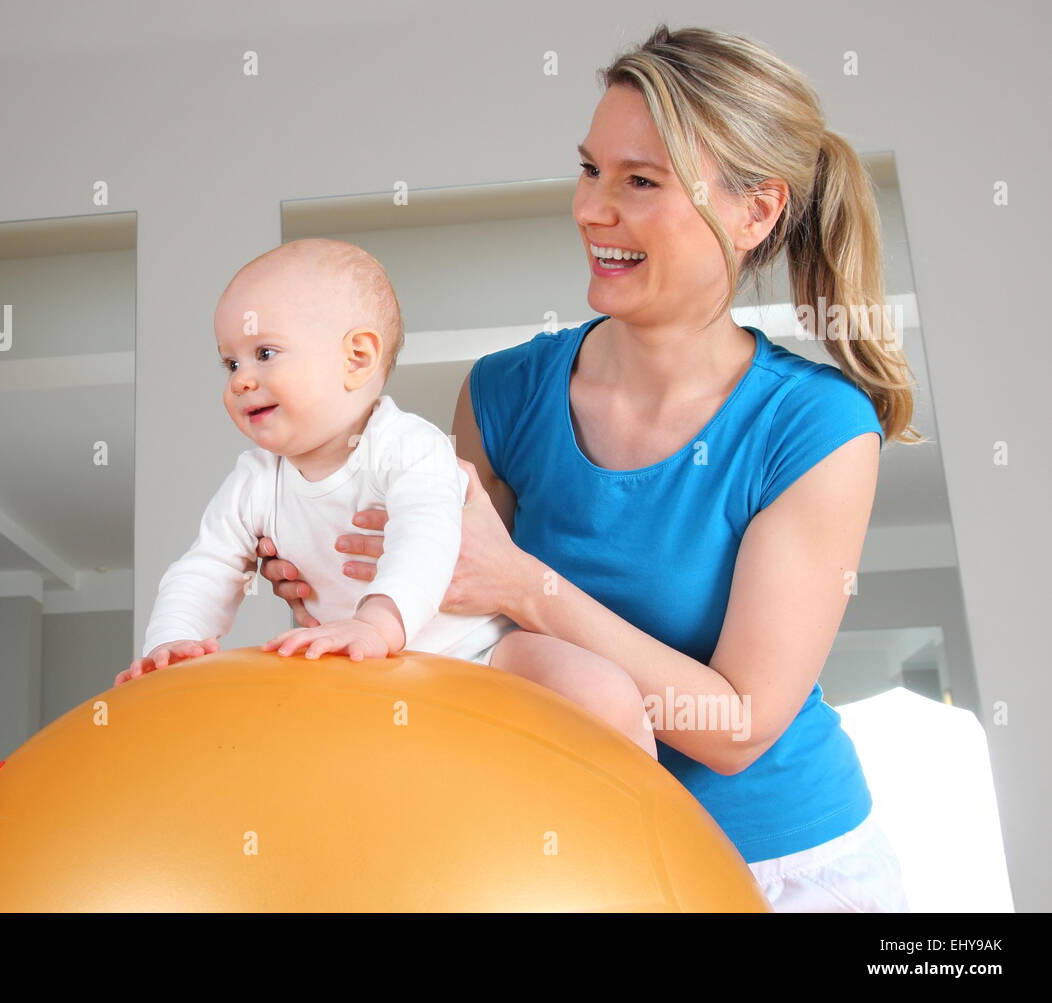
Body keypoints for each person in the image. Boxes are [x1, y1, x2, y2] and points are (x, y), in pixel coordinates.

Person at [256, 25, 920, 911]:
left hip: (784, 868)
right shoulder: (502, 396)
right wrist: (340, 593)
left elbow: (736, 727)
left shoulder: (813, 425)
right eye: (589, 170)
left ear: (755, 212)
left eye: (639, 181)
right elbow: (455, 643)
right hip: (579, 857)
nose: (591, 208)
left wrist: (526, 584)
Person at [117, 237, 657, 757]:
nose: (240, 380)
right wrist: (174, 642)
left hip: (481, 653)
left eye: (264, 353)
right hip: (364, 672)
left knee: (599, 689)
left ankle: (647, 822)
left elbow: (424, 536)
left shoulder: (407, 446)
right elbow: (206, 566)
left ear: (356, 358)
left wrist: (377, 622)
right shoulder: (254, 480)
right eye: (231, 363)